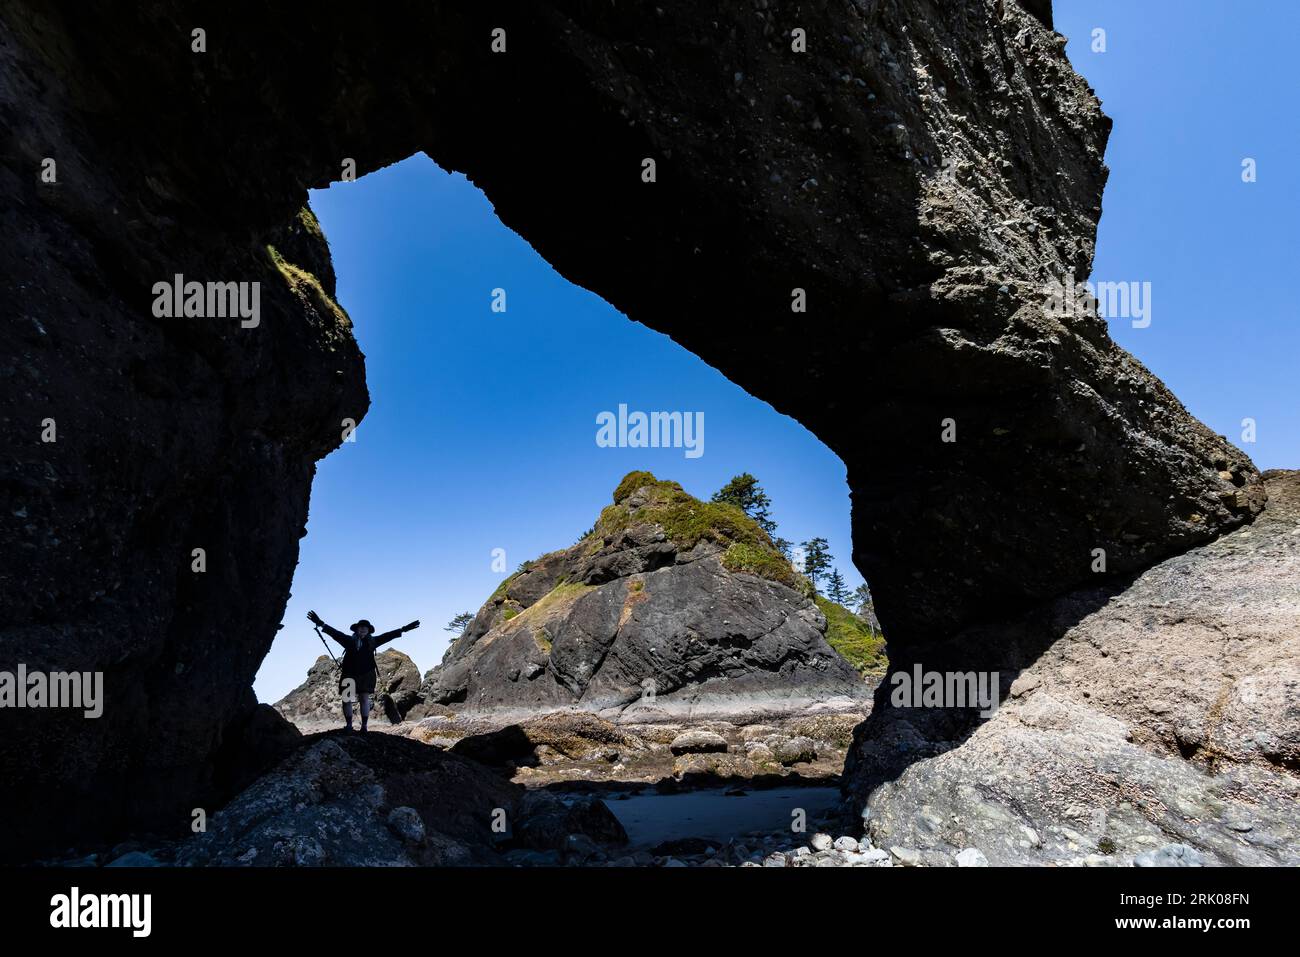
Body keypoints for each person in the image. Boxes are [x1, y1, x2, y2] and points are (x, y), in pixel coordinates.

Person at [307, 610, 420, 732]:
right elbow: (335, 633)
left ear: (368, 631)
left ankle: (364, 726)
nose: (363, 630)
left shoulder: (373, 641)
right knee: (347, 699)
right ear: (356, 629)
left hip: (366, 674)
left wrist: (403, 629)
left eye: (365, 628)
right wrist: (320, 623)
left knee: (364, 699)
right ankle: (349, 725)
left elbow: (388, 635)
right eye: (361, 628)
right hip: (349, 674)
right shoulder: (348, 641)